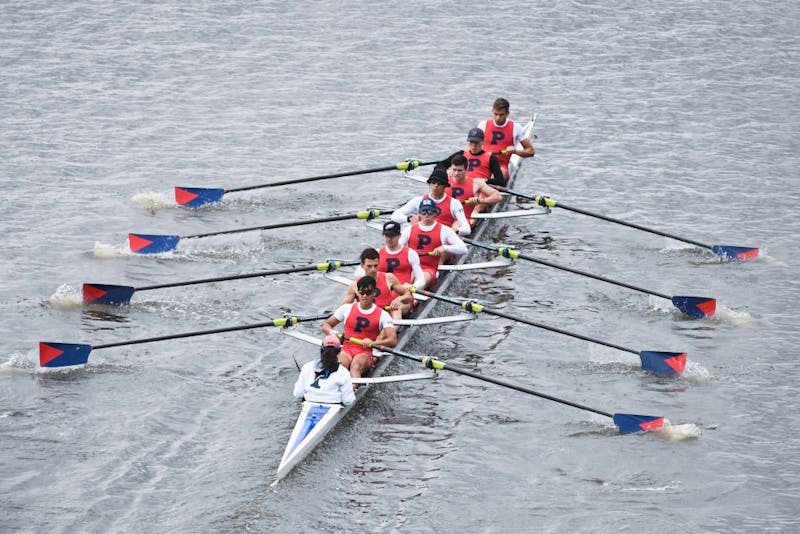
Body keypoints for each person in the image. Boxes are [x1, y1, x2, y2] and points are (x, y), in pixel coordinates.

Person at [323, 276, 397, 379]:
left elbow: (392, 341)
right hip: (346, 349)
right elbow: (326, 325)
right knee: (340, 367)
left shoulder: (383, 315)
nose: (365, 296)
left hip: (365, 352)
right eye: (362, 292)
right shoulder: (346, 308)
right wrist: (331, 332)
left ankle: (353, 387)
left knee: (355, 367)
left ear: (374, 293)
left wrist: (373, 343)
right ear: (358, 292)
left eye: (368, 292)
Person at [399, 198, 468, 287]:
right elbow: (397, 249)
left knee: (419, 280)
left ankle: (412, 292)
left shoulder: (444, 230)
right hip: (410, 267)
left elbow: (463, 249)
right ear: (419, 213)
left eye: (430, 211)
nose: (426, 214)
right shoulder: (408, 230)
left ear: (435, 213)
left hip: (428, 269)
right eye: (423, 211)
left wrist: (444, 248)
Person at [391, 168, 471, 236]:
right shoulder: (419, 200)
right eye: (433, 183)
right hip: (422, 235)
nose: (435, 186)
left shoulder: (454, 203)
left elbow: (467, 229)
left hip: (442, 239)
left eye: (439, 184)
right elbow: (395, 216)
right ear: (429, 184)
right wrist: (409, 219)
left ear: (445, 186)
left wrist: (455, 231)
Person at [343, 248, 412, 320]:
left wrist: (399, 299)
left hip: (386, 317)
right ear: (362, 265)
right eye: (369, 266)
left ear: (379, 264)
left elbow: (408, 297)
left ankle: (393, 326)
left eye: (375, 266)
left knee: (396, 311)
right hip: (366, 319)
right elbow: (344, 309)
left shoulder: (389, 278)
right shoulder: (355, 285)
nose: (373, 269)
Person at [477, 97, 535, 181]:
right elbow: (471, 147)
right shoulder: (483, 125)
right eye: (495, 114)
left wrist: (515, 151)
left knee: (496, 175)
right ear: (492, 110)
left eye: (501, 115)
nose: (497, 118)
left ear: (507, 113)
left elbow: (531, 151)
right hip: (482, 163)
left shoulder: (515, 127)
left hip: (501, 166)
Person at [293, 334, 355, 405]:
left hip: (309, 402)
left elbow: (298, 394)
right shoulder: (343, 372)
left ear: (321, 350)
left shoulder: (307, 367)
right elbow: (348, 400)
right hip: (334, 405)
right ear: (339, 351)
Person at [434, 127, 505, 186]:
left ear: (483, 142)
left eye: (476, 142)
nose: (473, 146)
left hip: (479, 187)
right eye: (471, 142)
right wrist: (445, 173)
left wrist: (486, 181)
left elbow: (500, 181)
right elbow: (440, 165)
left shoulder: (491, 158)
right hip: (460, 184)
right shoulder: (461, 154)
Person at [446, 154, 503, 228]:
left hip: (462, 220)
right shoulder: (444, 181)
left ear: (466, 170)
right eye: (454, 170)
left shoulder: (476, 183)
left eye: (460, 170)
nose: (456, 173)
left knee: (455, 226)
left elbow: (498, 196)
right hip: (446, 217)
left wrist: (481, 201)